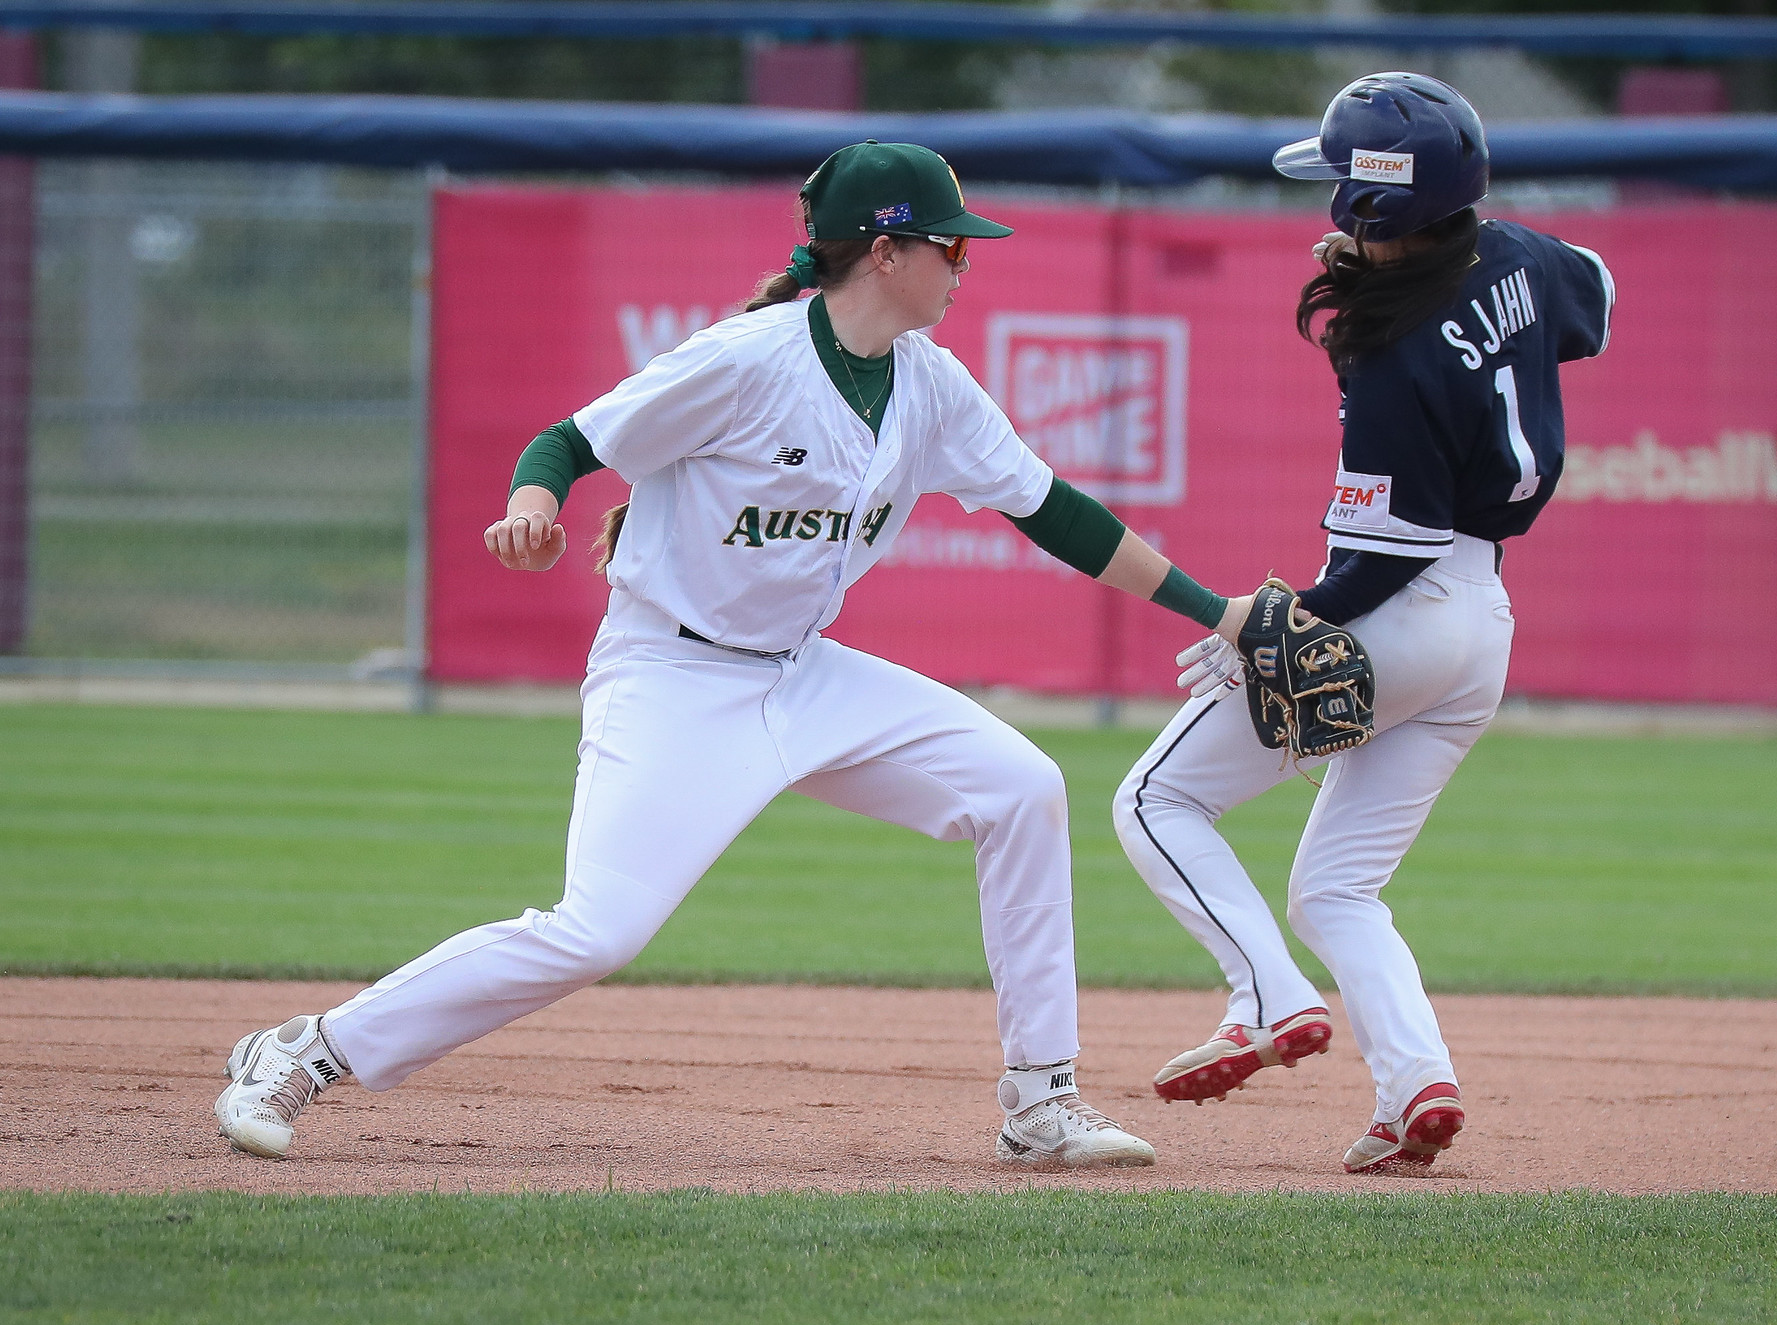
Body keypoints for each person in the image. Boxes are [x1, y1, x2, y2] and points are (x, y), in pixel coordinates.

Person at [214, 140, 1259, 1170]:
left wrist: (1220, 615)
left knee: (1021, 787)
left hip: (802, 672)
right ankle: (308, 1049)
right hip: (670, 674)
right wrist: (532, 505)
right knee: (596, 932)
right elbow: (568, 443)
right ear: (886, 253)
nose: (963, 265)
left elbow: (1056, 515)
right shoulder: (746, 357)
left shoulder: (927, 384)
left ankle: (1040, 1101)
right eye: (952, 246)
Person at [1112, 74, 1614, 1173]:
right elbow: (1598, 299)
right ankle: (1413, 1087)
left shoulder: (1392, 352)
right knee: (1335, 886)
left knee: (1154, 798)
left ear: (1375, 210)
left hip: (1408, 608)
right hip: (1482, 627)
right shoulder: (1524, 257)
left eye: (1342, 186)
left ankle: (1261, 998)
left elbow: (1383, 554)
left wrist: (1272, 622)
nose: (1328, 204)